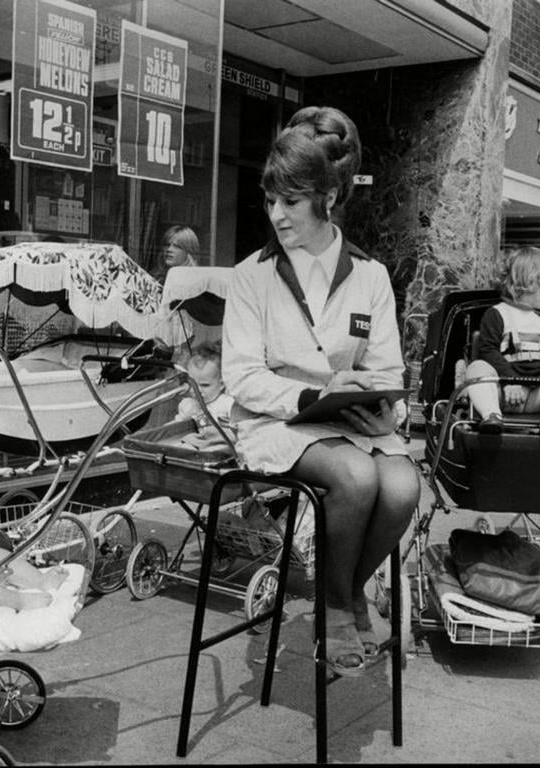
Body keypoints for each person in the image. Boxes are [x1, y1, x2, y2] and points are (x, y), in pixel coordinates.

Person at [222, 106, 418, 677]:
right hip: (277, 422)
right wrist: (308, 398)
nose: (276, 215)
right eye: (270, 199)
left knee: (403, 488)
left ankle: (350, 591)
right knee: (357, 480)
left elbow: (385, 366)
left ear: (329, 196)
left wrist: (386, 412)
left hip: (352, 426)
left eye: (292, 200)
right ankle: (336, 610)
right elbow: (242, 375)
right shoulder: (251, 276)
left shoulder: (372, 276)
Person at [464, 246, 540, 437]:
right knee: (477, 368)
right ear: (531, 282)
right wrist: (510, 381)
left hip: (539, 395)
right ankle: (491, 415)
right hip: (504, 392)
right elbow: (488, 351)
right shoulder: (497, 314)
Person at [177, 341, 234, 429]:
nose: (197, 390)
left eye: (205, 385)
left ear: (222, 384)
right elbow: (174, 430)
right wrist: (184, 418)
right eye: (193, 385)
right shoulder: (188, 404)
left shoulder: (227, 404)